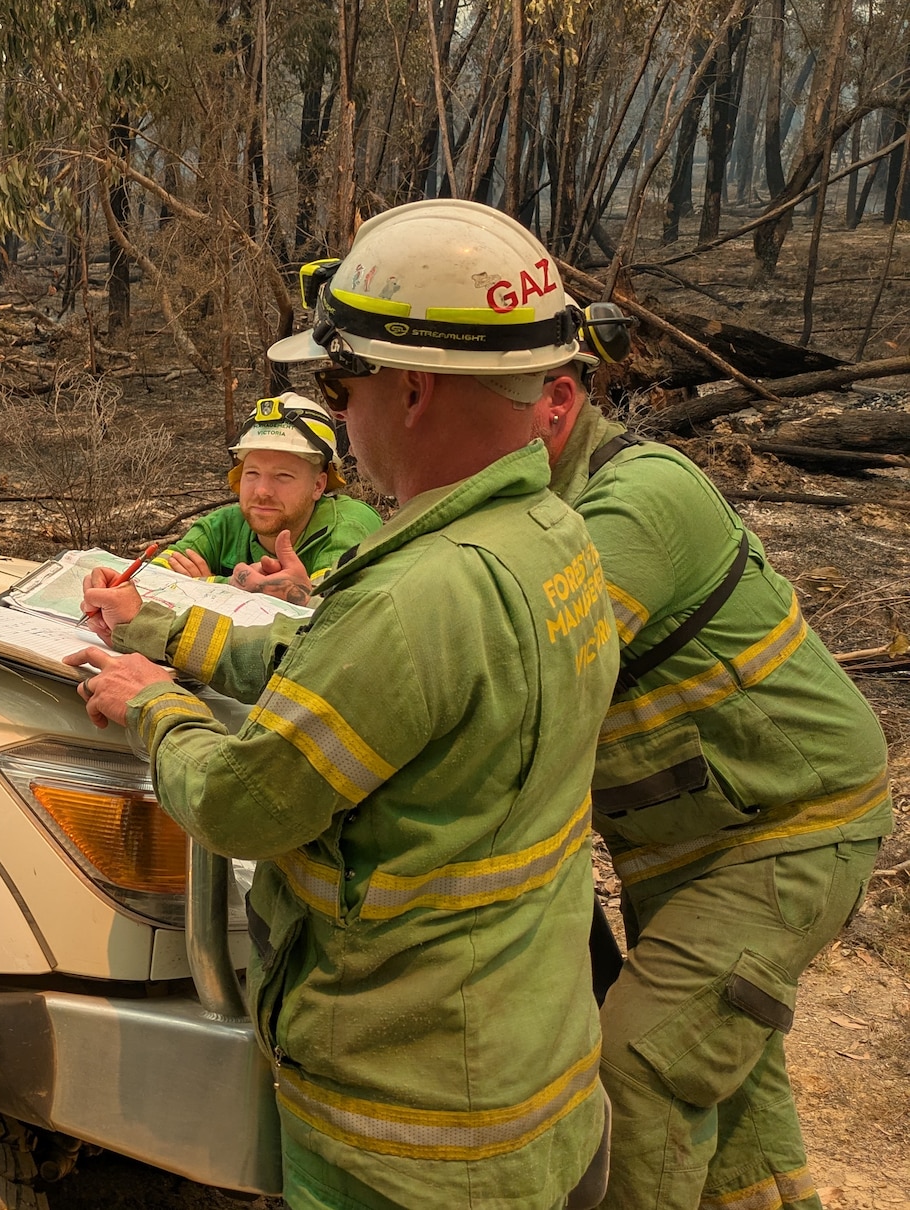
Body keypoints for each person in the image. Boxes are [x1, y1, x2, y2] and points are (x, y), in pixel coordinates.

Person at [72, 199, 627, 1209]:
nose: (335, 414)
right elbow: (339, 662)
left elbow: (243, 804)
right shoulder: (548, 533)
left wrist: (158, 707)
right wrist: (161, 631)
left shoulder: (415, 597)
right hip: (532, 1080)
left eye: (336, 383)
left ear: (408, 391)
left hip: (405, 1135)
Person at [534, 358, 891, 1210]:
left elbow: (510, 672)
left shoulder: (632, 504)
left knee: (641, 1067)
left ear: (556, 404)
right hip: (693, 846)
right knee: (733, 1109)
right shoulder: (544, 509)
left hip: (784, 834)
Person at [159, 392, 381, 605]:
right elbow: (149, 578)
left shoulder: (348, 525)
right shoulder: (222, 526)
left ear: (318, 485)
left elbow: (329, 611)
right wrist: (224, 586)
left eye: (282, 476)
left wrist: (204, 585)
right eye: (252, 473)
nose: (262, 491)